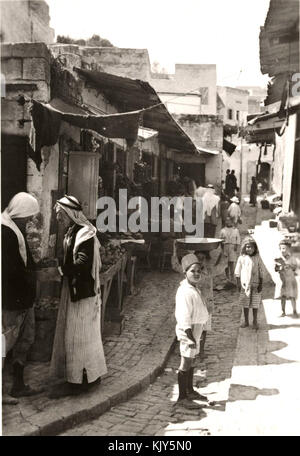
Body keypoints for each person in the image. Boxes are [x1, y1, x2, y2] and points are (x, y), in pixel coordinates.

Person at [49, 195, 107, 397]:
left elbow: (82, 264)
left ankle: (79, 382)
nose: (58, 218)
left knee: (78, 336)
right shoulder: (74, 231)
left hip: (82, 292)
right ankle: (89, 376)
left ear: (70, 214)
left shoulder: (85, 234)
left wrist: (61, 271)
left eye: (60, 214)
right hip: (76, 290)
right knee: (82, 336)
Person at [1, 192, 42, 399]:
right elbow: (10, 270)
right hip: (12, 300)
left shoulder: (15, 228)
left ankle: (18, 384)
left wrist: (36, 270)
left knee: (25, 340)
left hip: (24, 298)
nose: (30, 220)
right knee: (5, 342)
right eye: (29, 215)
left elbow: (25, 260)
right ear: (21, 212)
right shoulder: (5, 232)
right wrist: (31, 276)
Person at [175, 254, 209, 409]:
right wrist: (190, 337)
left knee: (192, 360)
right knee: (186, 361)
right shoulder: (184, 291)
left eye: (198, 271)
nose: (196, 273)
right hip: (188, 330)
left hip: (196, 329)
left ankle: (190, 390)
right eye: (192, 271)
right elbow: (183, 315)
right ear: (185, 273)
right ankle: (182, 397)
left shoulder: (193, 288)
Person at [235, 237, 263, 330]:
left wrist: (261, 284)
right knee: (245, 303)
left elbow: (261, 271)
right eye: (247, 247)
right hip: (245, 285)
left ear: (255, 248)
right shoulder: (241, 258)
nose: (249, 249)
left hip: (255, 284)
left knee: (255, 303)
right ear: (244, 248)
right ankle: (246, 321)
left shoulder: (257, 258)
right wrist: (238, 284)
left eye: (251, 247)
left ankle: (255, 321)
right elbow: (237, 272)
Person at [194, 251, 214, 361]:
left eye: (202, 258)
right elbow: (176, 266)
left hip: (207, 305)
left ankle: (201, 351)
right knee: (194, 328)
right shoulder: (191, 272)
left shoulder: (209, 271)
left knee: (204, 330)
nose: (200, 260)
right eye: (198, 258)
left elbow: (222, 266)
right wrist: (174, 250)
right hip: (195, 305)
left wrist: (223, 252)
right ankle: (193, 351)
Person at [275, 240, 299, 317]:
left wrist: (290, 266)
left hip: (290, 279)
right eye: (281, 248)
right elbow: (276, 269)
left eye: (284, 248)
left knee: (292, 296)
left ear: (289, 249)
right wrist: (278, 267)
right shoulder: (278, 259)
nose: (282, 250)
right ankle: (283, 311)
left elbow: (295, 268)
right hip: (283, 281)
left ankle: (294, 310)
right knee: (283, 296)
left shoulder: (292, 258)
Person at [219, 217, 241, 283]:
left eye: (229, 221)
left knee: (231, 262)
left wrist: (236, 246)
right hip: (225, 246)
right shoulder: (222, 230)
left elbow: (238, 239)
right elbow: (220, 239)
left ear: (232, 222)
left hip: (232, 247)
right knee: (226, 263)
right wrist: (222, 247)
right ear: (225, 222)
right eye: (227, 221)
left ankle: (232, 277)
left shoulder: (235, 230)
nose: (228, 222)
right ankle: (227, 277)